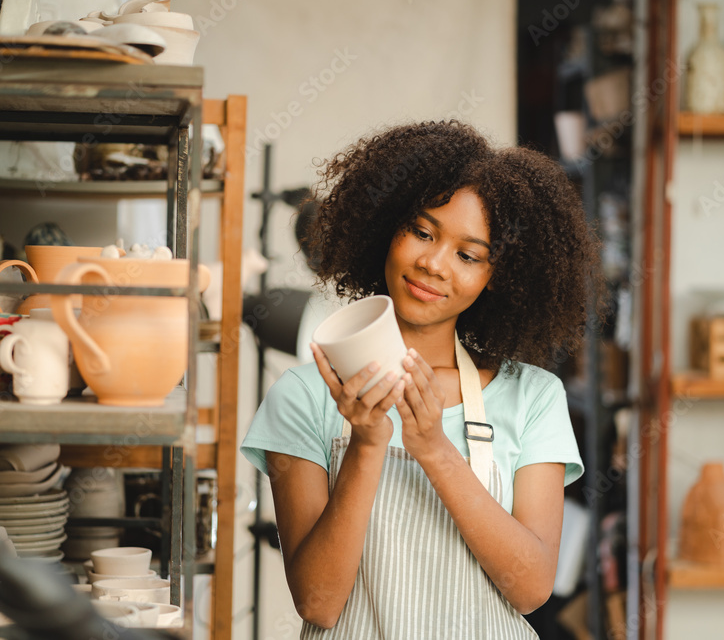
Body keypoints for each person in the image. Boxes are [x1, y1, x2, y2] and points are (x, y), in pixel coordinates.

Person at [241, 120, 602, 639]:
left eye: (468, 255)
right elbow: (318, 603)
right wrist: (366, 445)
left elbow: (530, 589)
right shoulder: (304, 396)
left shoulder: (533, 397)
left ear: (497, 277)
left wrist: (434, 448)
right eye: (422, 232)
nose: (433, 263)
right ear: (387, 228)